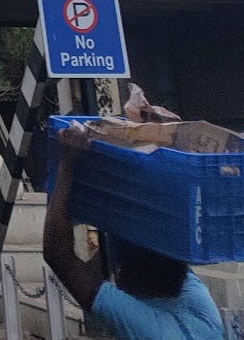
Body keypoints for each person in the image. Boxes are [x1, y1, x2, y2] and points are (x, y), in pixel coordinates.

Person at [44, 125, 224, 339]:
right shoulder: (199, 307)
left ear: (127, 275)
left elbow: (59, 256)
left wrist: (67, 165)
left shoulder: (147, 327)